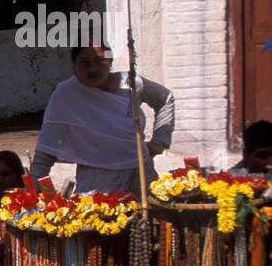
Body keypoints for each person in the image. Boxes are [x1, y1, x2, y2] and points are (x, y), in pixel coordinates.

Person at [30, 44, 175, 194]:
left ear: (110, 62)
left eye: (100, 61)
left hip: (140, 173)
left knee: (150, 215)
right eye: (84, 62)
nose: (92, 69)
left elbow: (165, 99)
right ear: (74, 65)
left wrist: (159, 143)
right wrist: (33, 186)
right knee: (98, 217)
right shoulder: (66, 94)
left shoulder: (131, 83)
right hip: (97, 182)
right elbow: (48, 145)